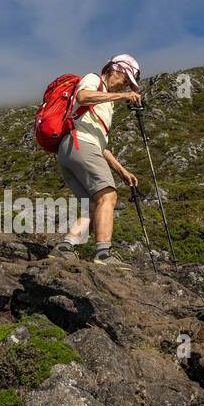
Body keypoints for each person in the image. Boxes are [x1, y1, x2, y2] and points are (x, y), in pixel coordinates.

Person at [51, 55, 142, 267]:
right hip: (79, 144)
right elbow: (82, 97)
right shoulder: (94, 80)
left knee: (94, 204)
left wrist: (121, 170)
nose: (125, 83)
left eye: (129, 82)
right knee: (108, 196)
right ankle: (103, 253)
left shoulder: (105, 103)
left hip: (71, 150)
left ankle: (65, 246)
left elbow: (99, 145)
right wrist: (122, 95)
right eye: (125, 78)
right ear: (114, 69)